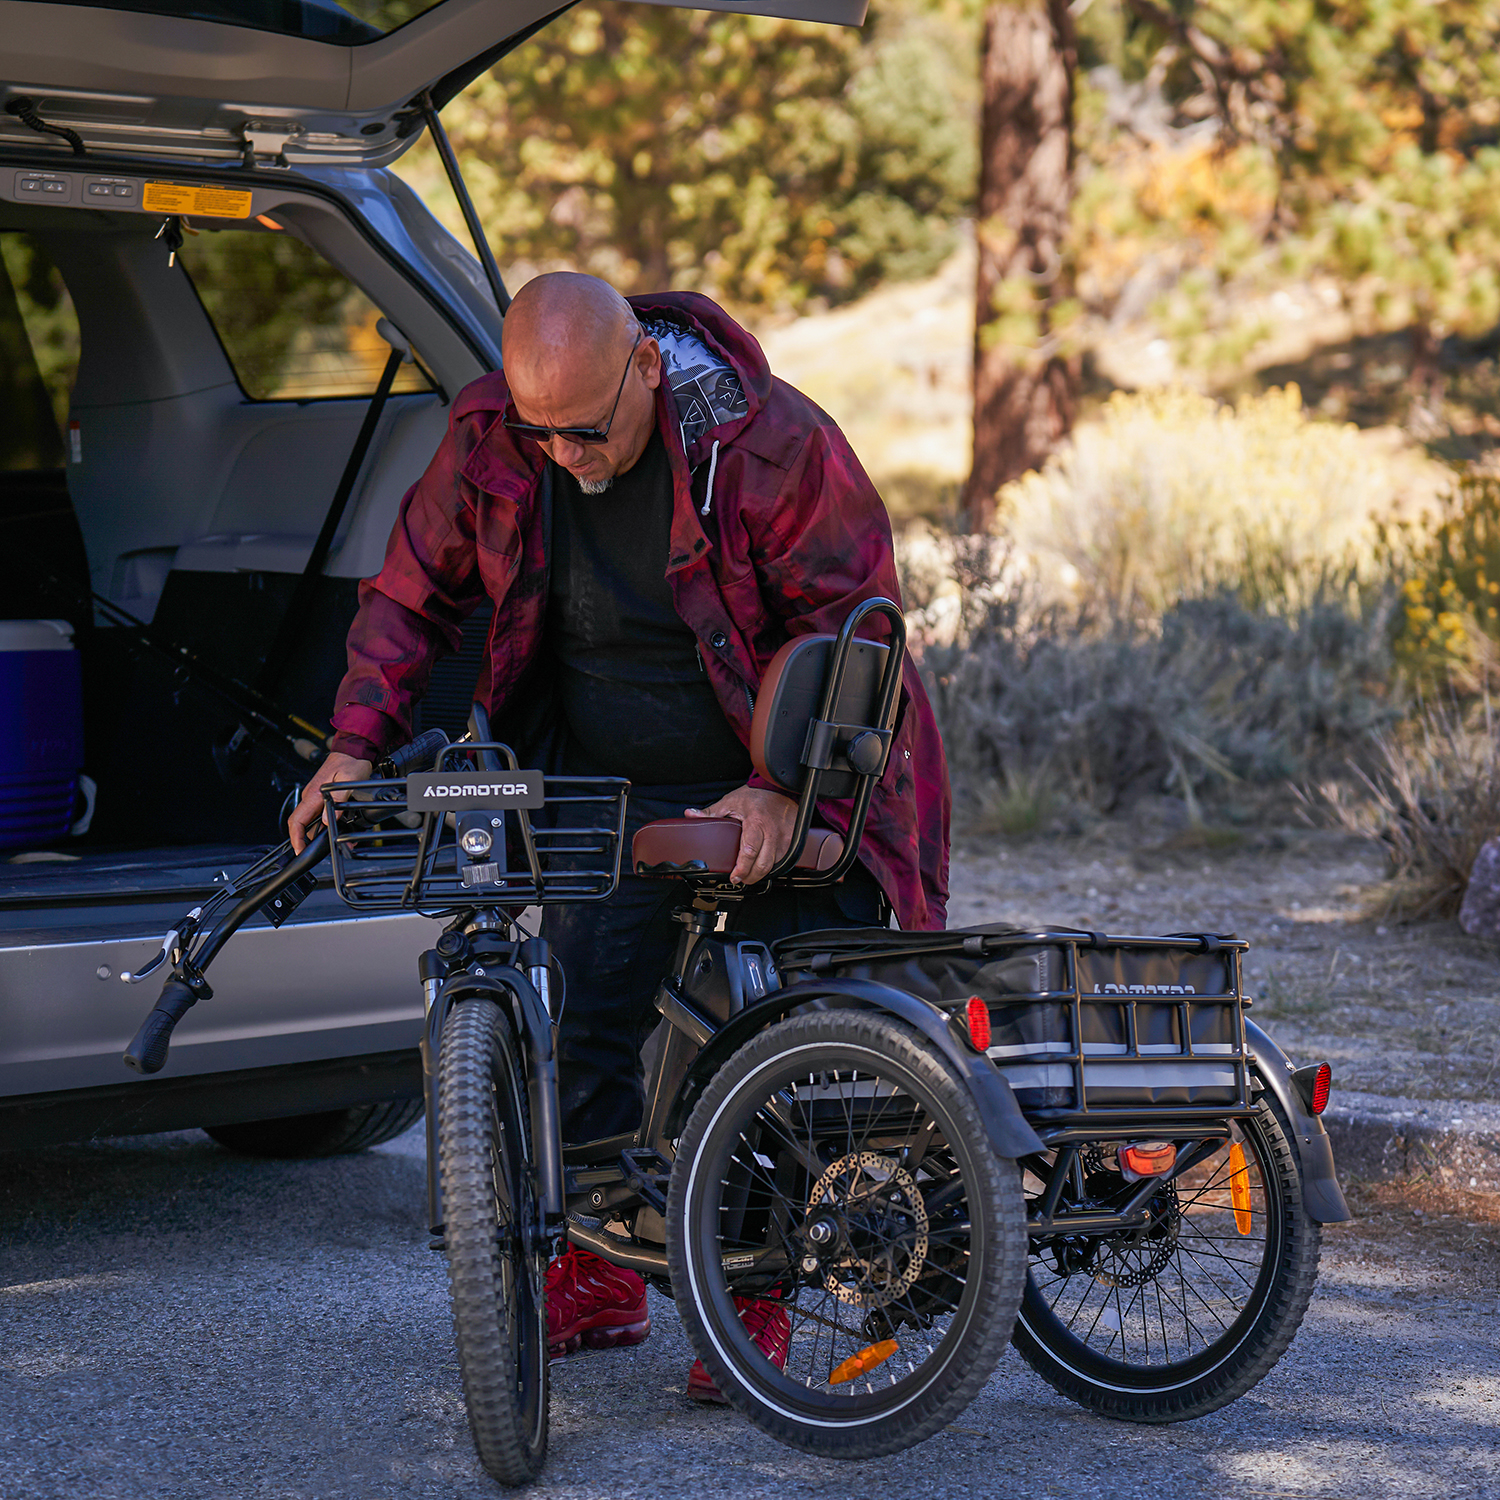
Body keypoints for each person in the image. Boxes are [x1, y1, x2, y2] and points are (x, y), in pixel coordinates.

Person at [287, 272, 951, 1402]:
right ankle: (601, 1274)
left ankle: (753, 1293)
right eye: (542, 433)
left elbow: (856, 636)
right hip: (606, 789)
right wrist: (354, 745)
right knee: (585, 1025)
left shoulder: (770, 446)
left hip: (779, 780)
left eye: (586, 432)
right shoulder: (497, 437)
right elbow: (408, 595)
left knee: (759, 1034)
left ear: (645, 366)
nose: (565, 457)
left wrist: (784, 793)